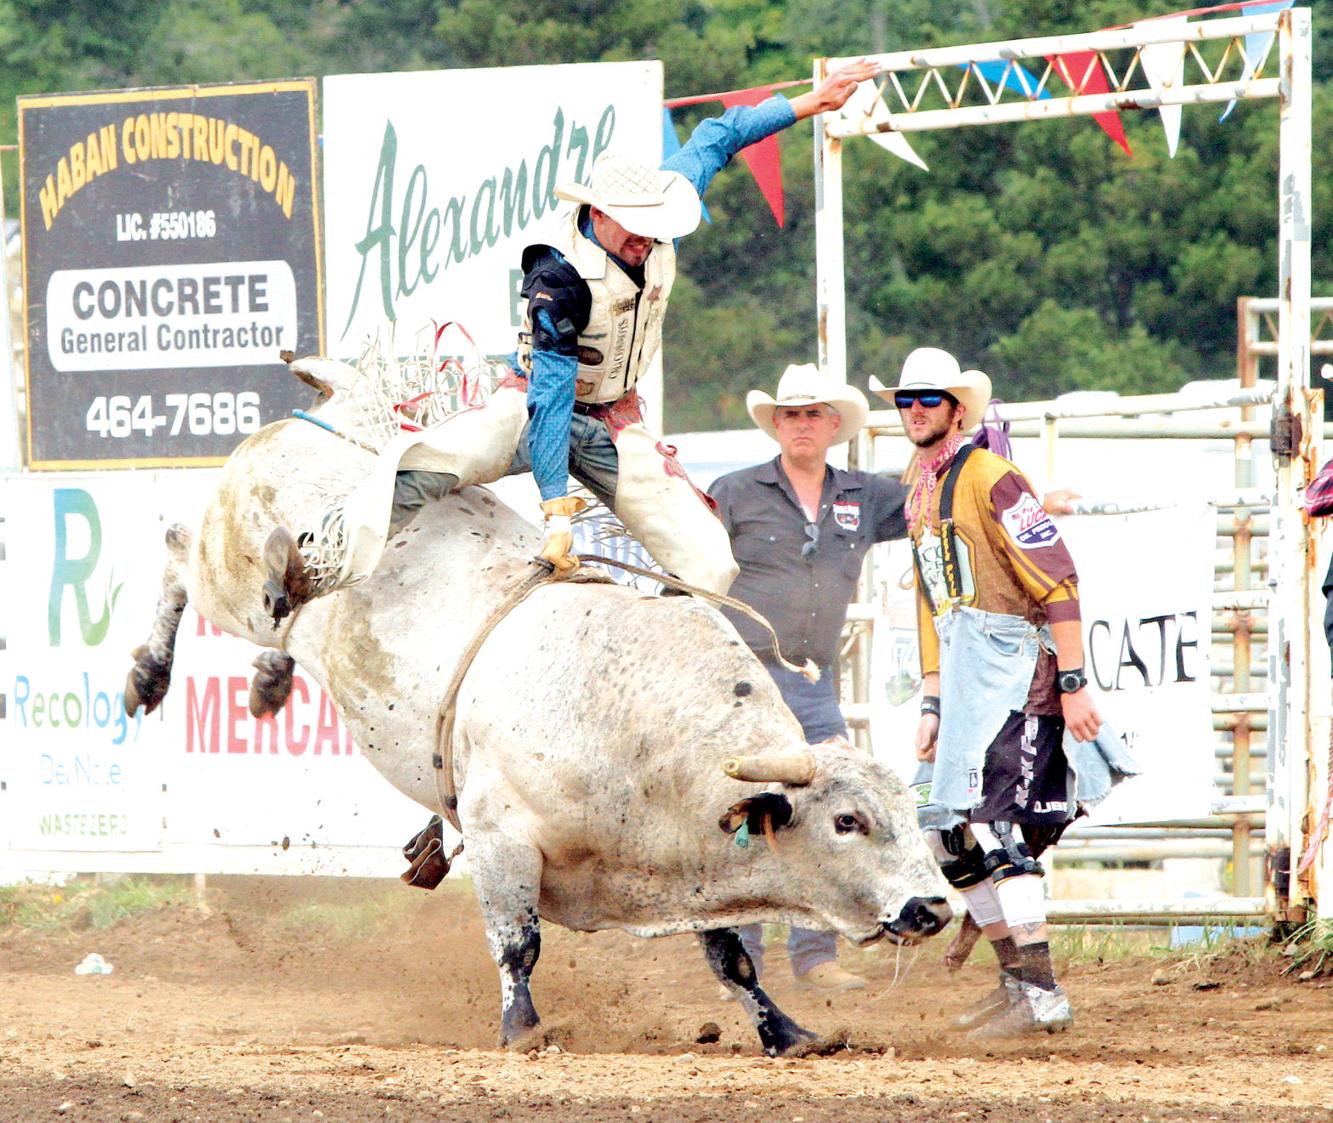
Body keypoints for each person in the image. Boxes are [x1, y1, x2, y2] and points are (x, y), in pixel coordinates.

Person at [261, 60, 882, 623]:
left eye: (655, 229)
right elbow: (551, 399)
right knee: (426, 466)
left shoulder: (660, 201)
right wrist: (556, 509)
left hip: (614, 419)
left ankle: (649, 644)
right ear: (600, 215)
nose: (647, 241)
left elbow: (720, 135)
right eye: (635, 229)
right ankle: (309, 566)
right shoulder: (557, 279)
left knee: (710, 562)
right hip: (532, 406)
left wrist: (811, 103)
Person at [878, 346, 1103, 1037]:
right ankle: (1017, 979)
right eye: (905, 399)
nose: (915, 409)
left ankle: (1040, 992)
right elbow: (931, 598)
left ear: (955, 409)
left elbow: (1057, 579)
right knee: (941, 825)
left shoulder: (992, 478)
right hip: (966, 677)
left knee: (998, 824)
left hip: (1017, 677)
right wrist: (932, 698)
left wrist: (1072, 683)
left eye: (928, 398)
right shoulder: (919, 488)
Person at [709, 362, 909, 992]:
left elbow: (936, 505)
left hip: (813, 677)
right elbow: (691, 566)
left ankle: (816, 953)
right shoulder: (733, 492)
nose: (801, 424)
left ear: (832, 425)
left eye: (812, 414)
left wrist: (1021, 497)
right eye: (791, 414)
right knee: (745, 812)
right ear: (776, 424)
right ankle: (743, 962)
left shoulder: (864, 496)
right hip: (742, 679)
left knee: (828, 808)